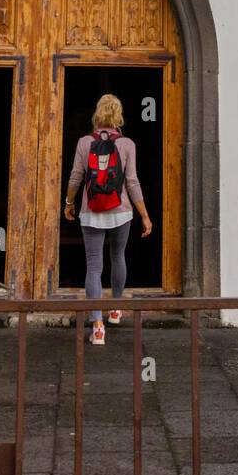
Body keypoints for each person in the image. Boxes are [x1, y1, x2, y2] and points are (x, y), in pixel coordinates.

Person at [64, 93, 152, 345]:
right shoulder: (127, 144)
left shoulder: (83, 142)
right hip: (121, 211)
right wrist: (145, 215)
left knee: (94, 266)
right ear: (118, 117)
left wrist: (69, 203)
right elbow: (132, 182)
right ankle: (114, 308)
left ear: (97, 114)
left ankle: (98, 326)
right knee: (118, 256)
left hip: (91, 212)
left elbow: (75, 178)